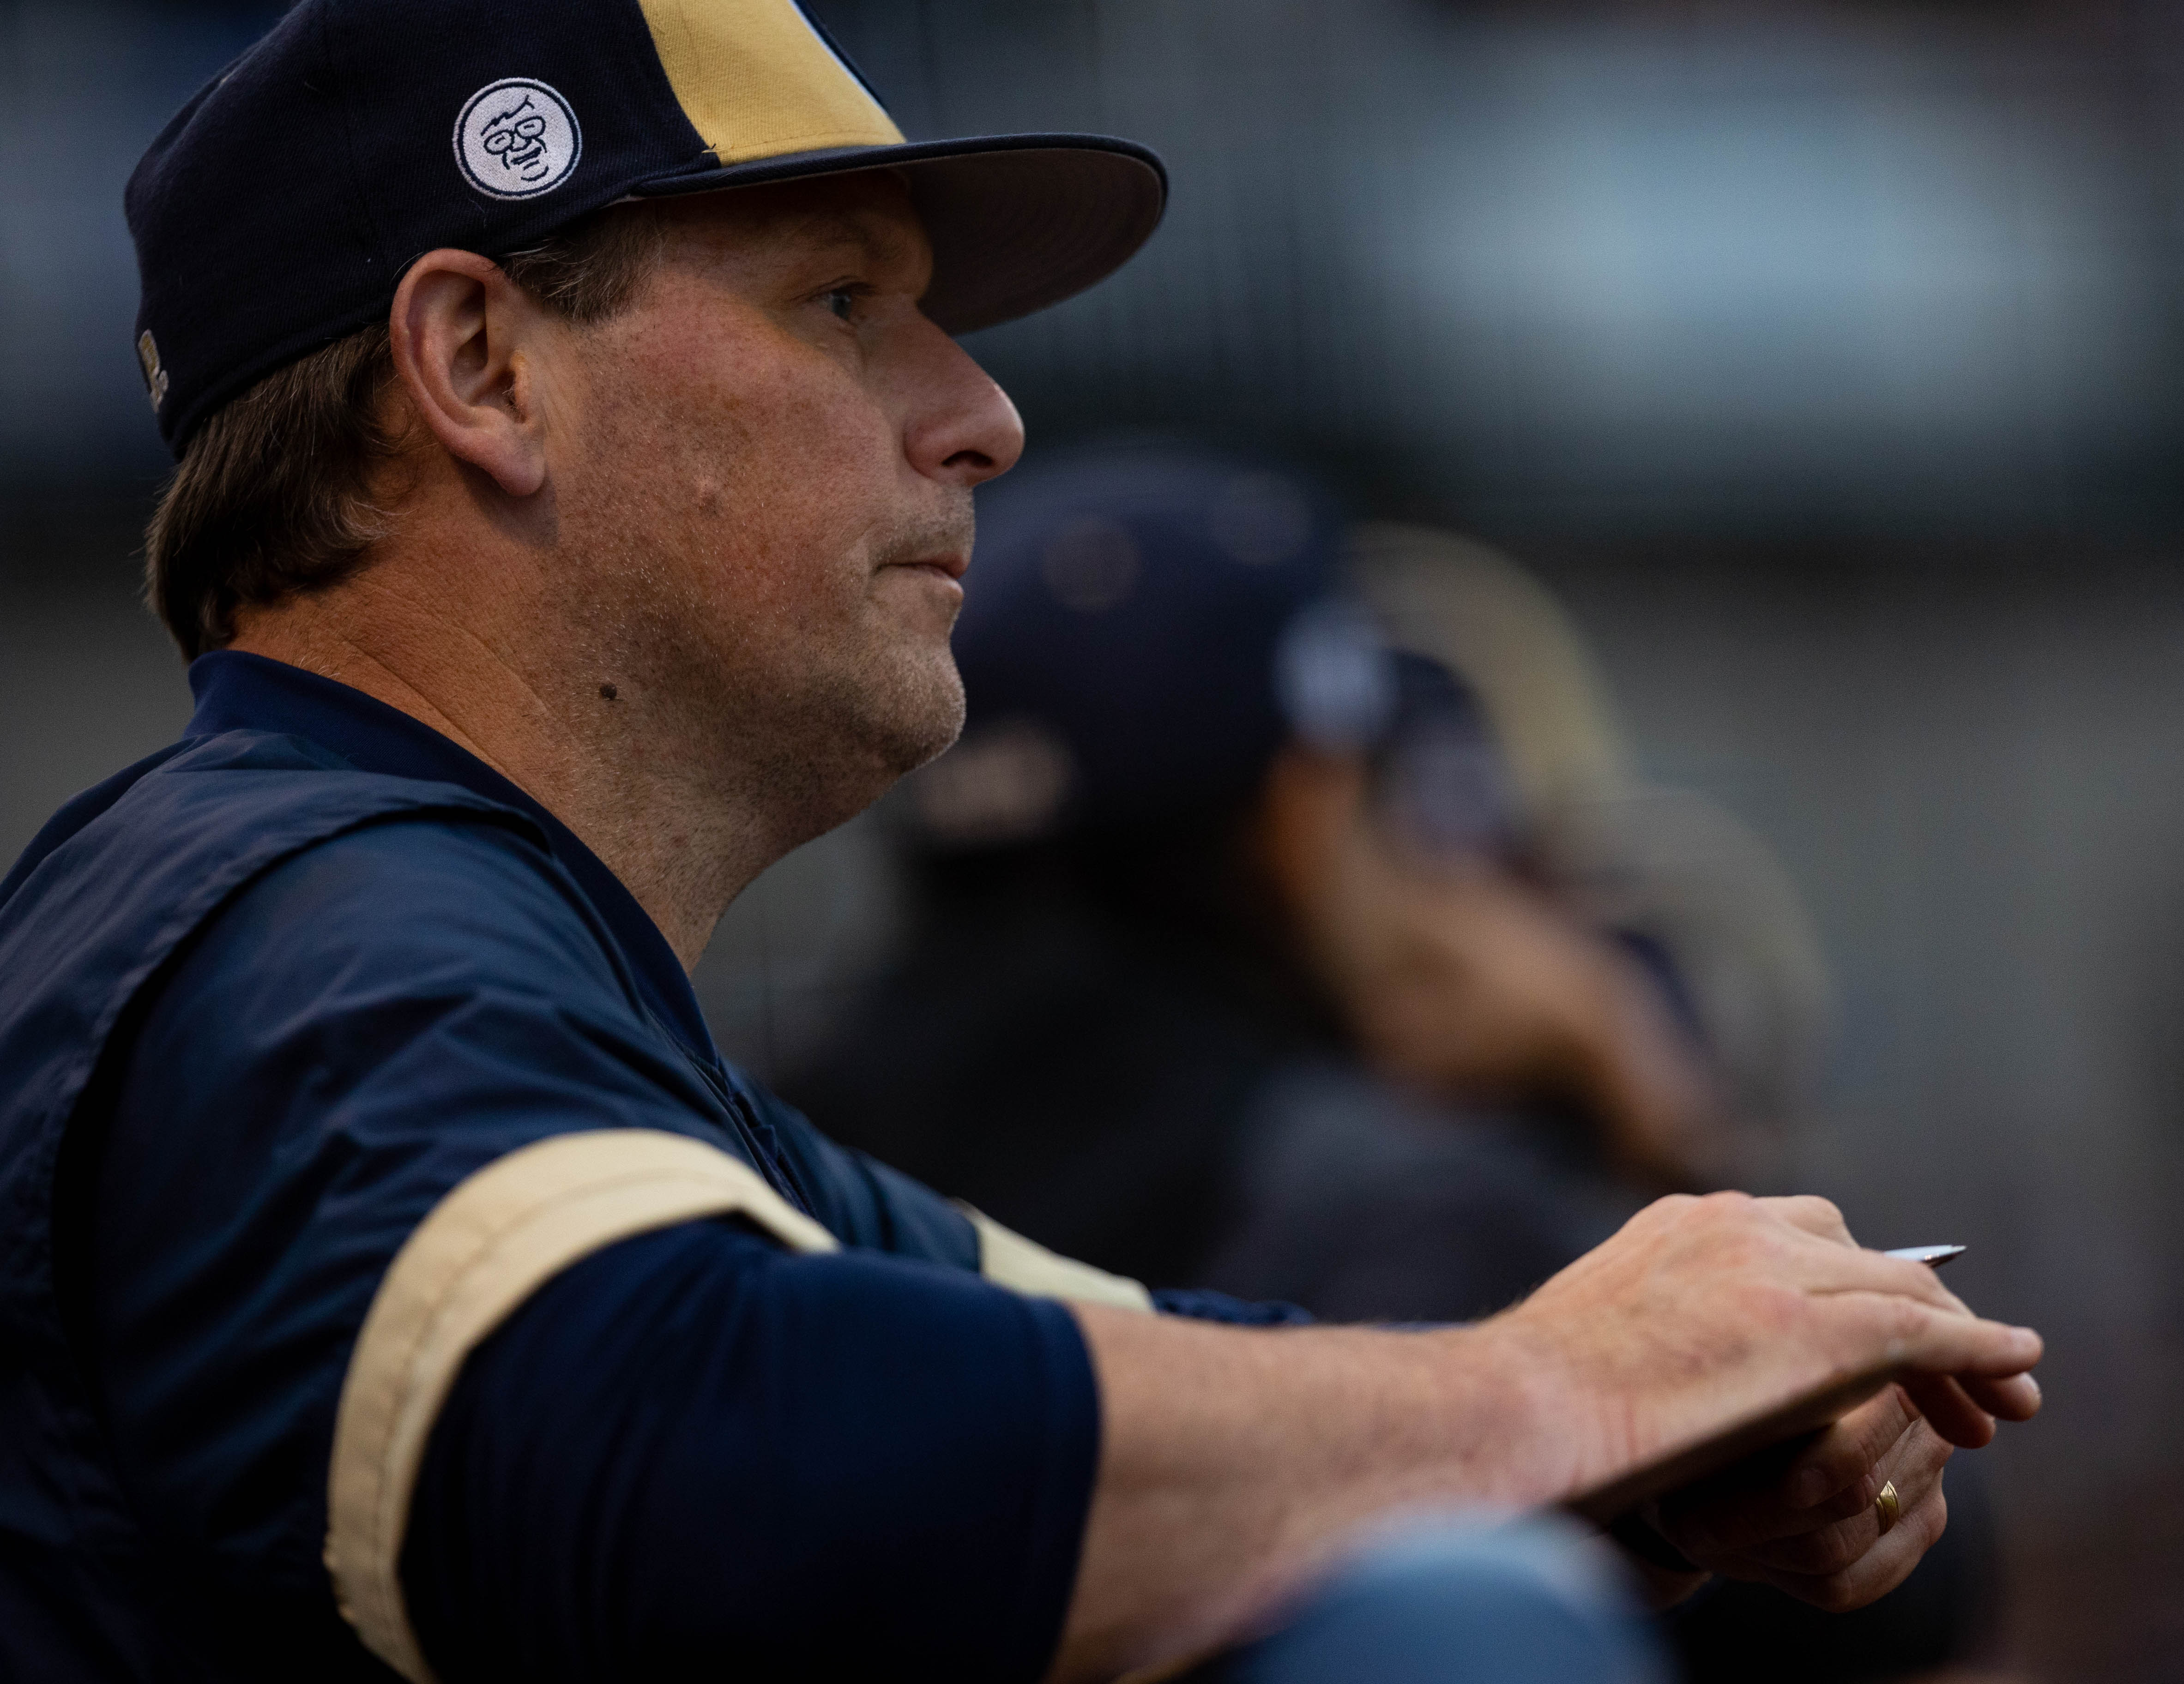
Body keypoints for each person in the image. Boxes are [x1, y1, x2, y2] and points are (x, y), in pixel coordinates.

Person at [0, 6, 2044, 1684]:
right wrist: (1556, 1398)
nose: (983, 413)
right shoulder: (308, 933)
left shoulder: (440, 932)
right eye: (841, 301)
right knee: (1439, 1631)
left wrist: (1627, 1444)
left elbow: (1106, 1366)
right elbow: (716, 1452)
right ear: (481, 367)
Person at [789, 444, 2012, 1680]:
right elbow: (1904, 1592)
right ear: (1303, 809)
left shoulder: (761, 1127)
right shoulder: (1407, 1189)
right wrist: (1646, 1141)